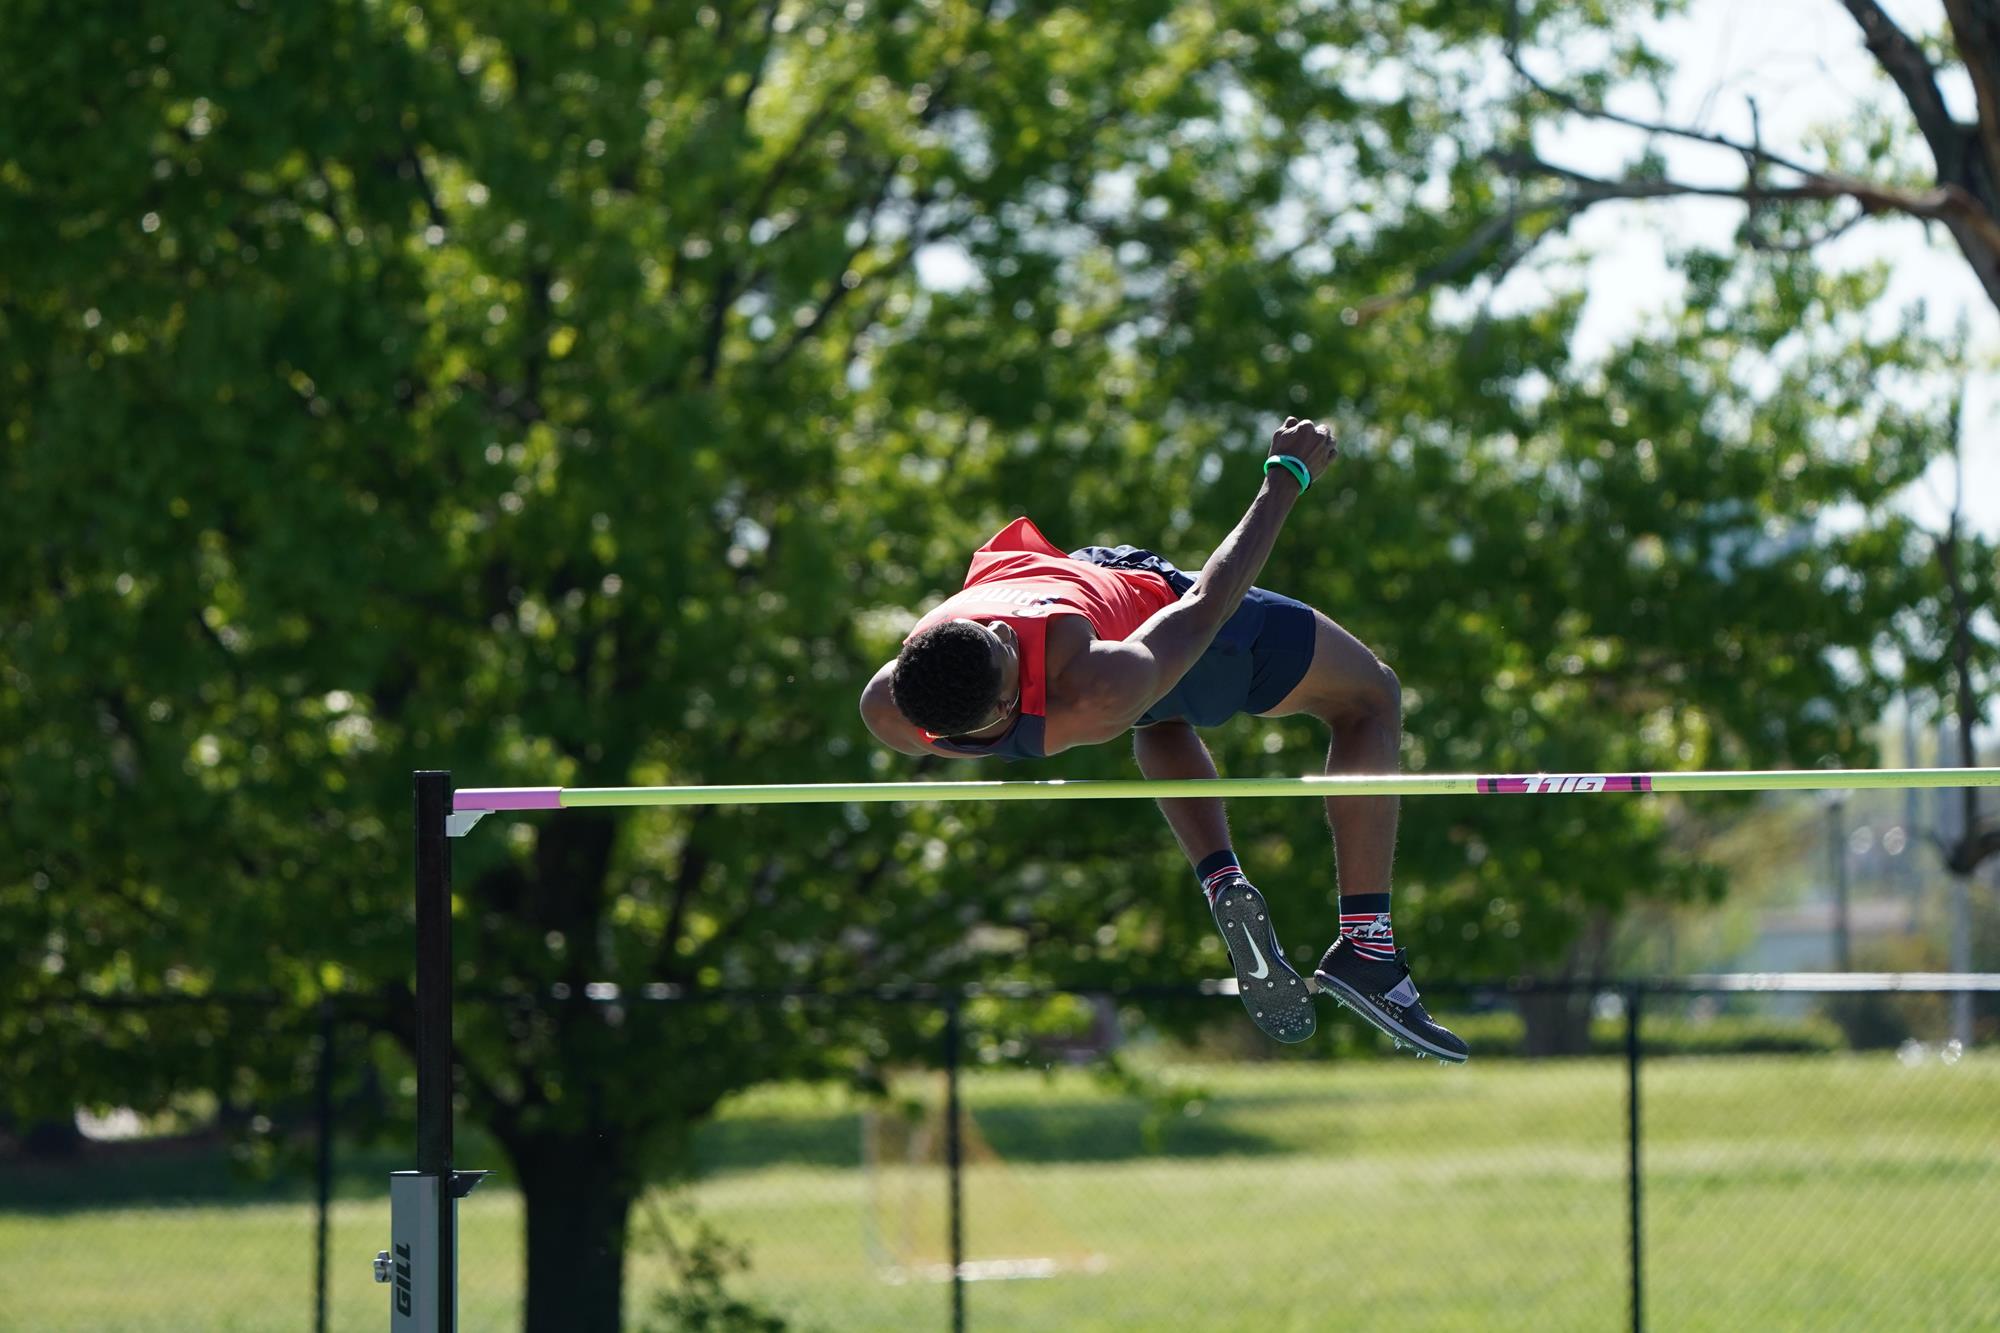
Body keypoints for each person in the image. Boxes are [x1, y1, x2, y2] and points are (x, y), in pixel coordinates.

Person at [860, 418, 1466, 1060]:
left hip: (1089, 598)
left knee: (1156, 715)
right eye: (1008, 647)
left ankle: (1222, 879)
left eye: (994, 630)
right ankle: (1366, 945)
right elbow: (1209, 603)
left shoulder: (892, 702)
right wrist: (1285, 477)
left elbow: (1022, 701)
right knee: (1370, 697)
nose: (1007, 630)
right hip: (1153, 620)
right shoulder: (1100, 681)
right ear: (1011, 698)